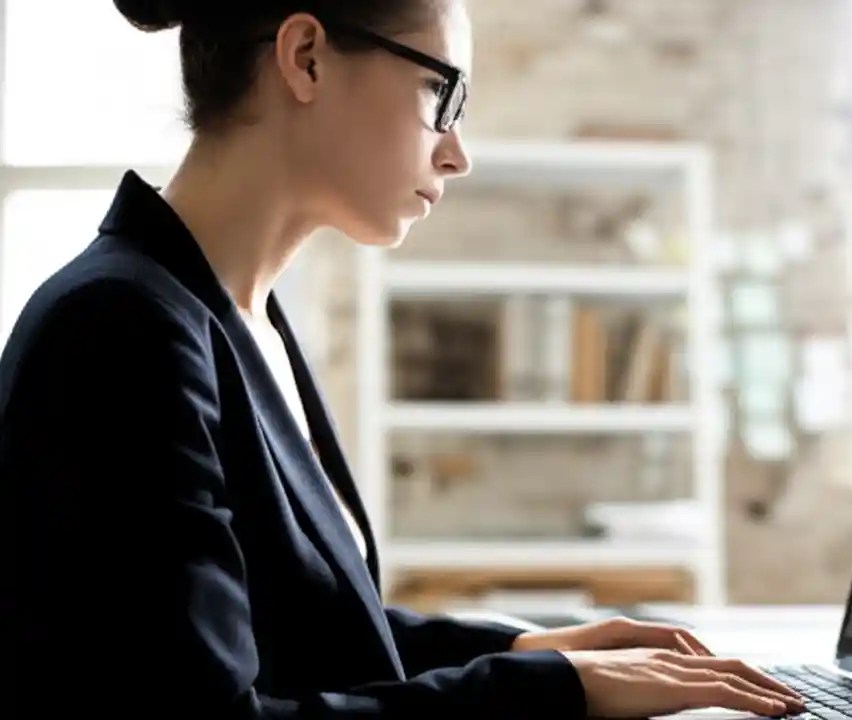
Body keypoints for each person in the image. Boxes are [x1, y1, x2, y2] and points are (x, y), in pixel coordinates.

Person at [0, 1, 808, 718]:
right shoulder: (120, 327)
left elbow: (306, 632)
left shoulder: (242, 319)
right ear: (306, 57)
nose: (457, 153)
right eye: (441, 94)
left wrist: (531, 652)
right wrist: (555, 692)